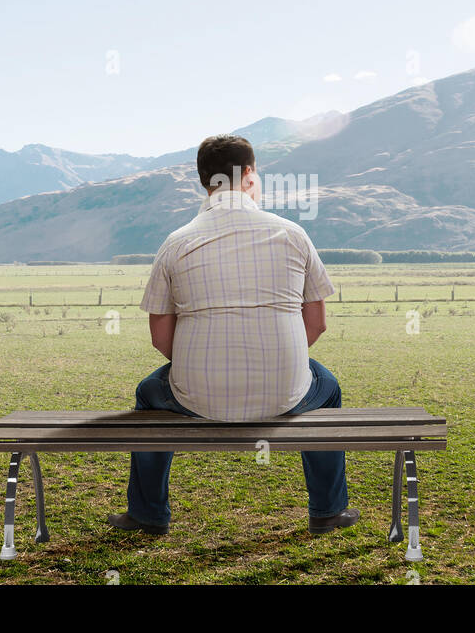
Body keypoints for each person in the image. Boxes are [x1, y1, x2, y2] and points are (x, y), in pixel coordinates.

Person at [107, 134, 357, 535]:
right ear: (251, 173)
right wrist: (285, 360)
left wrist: (196, 366)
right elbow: (317, 323)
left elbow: (160, 337)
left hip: (195, 397)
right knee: (326, 387)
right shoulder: (293, 234)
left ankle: (148, 515)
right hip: (286, 394)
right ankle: (328, 512)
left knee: (148, 393)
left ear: (203, 181)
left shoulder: (175, 242)